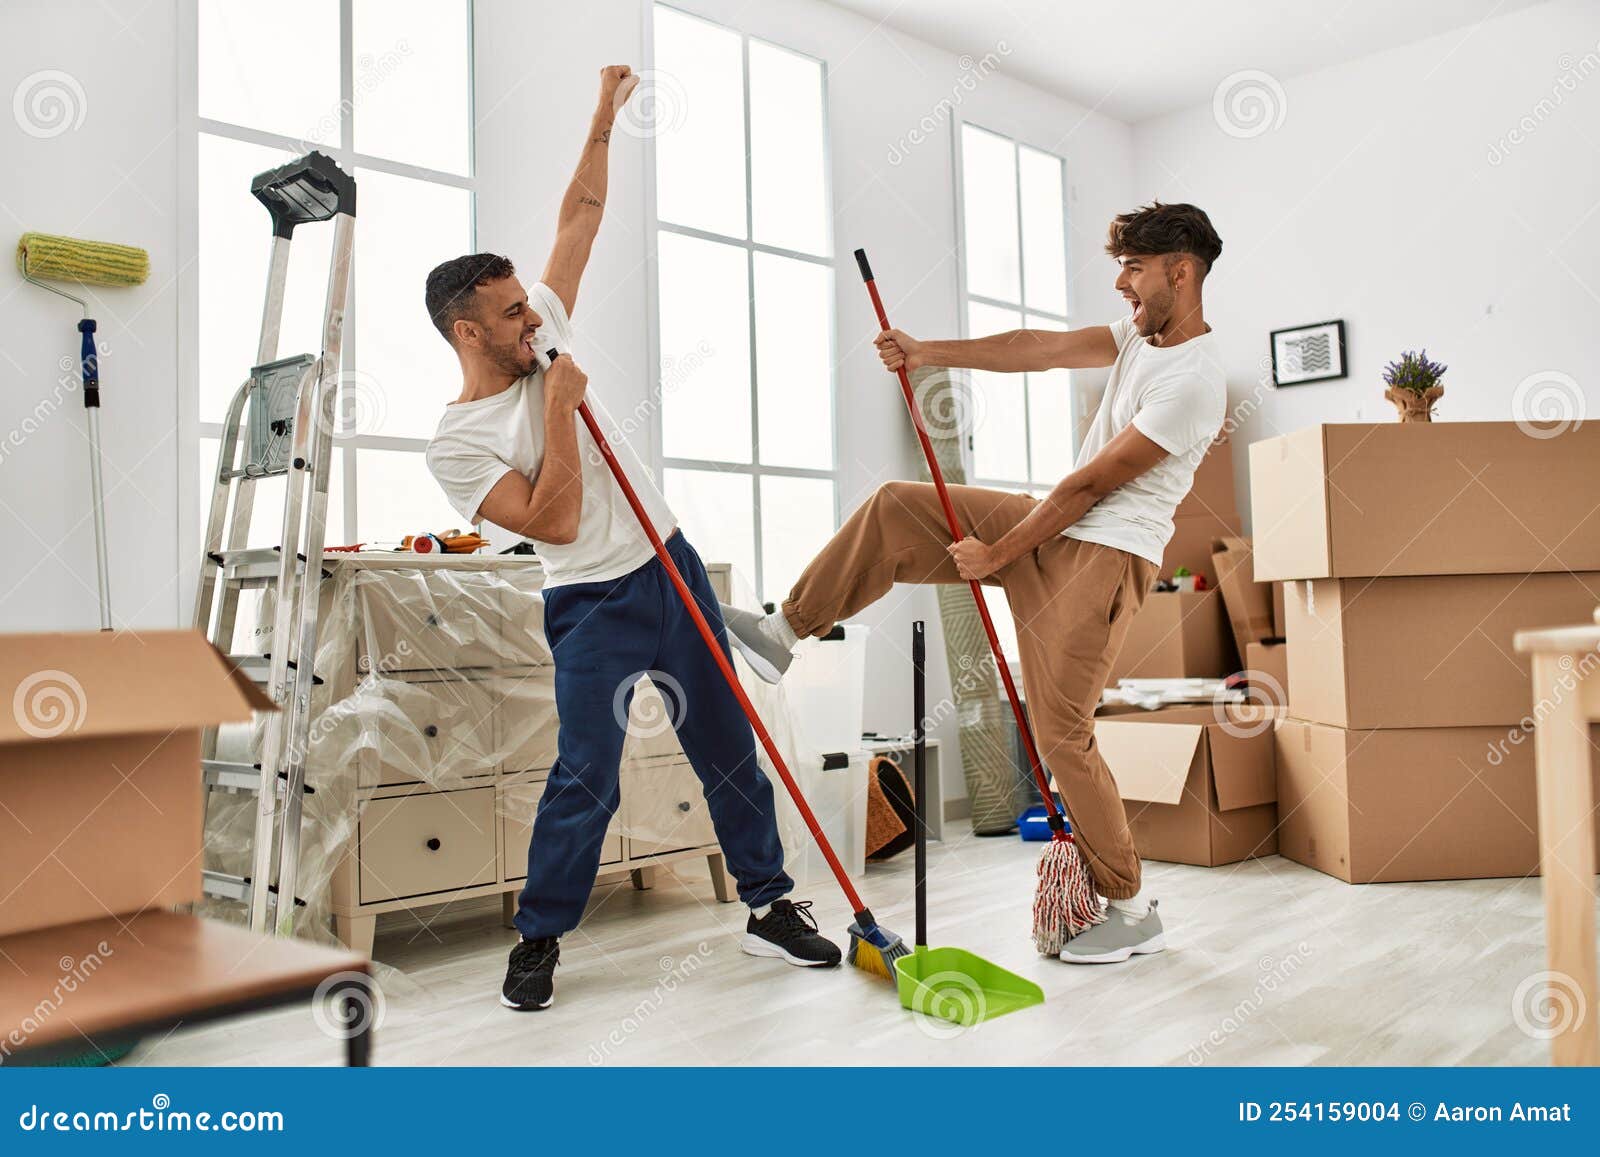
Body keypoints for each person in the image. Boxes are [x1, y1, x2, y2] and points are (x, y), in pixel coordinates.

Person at [422, 66, 839, 1012]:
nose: (534, 316)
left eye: (530, 302)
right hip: (592, 601)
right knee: (588, 776)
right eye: (513, 313)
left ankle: (769, 904)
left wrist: (602, 115)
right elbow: (555, 523)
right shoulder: (457, 443)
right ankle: (539, 937)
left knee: (732, 748)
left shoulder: (542, 332)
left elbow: (580, 214)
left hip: (672, 565)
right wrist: (562, 410)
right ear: (467, 331)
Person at [722, 202, 1227, 965]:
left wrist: (998, 553)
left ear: (1180, 272)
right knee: (898, 507)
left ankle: (1127, 904)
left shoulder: (1194, 380)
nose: (1122, 283)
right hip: (1054, 529)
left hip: (1103, 559)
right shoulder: (1135, 337)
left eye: (1135, 269)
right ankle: (784, 630)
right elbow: (1037, 347)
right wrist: (927, 351)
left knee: (1062, 736)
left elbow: (1090, 484)